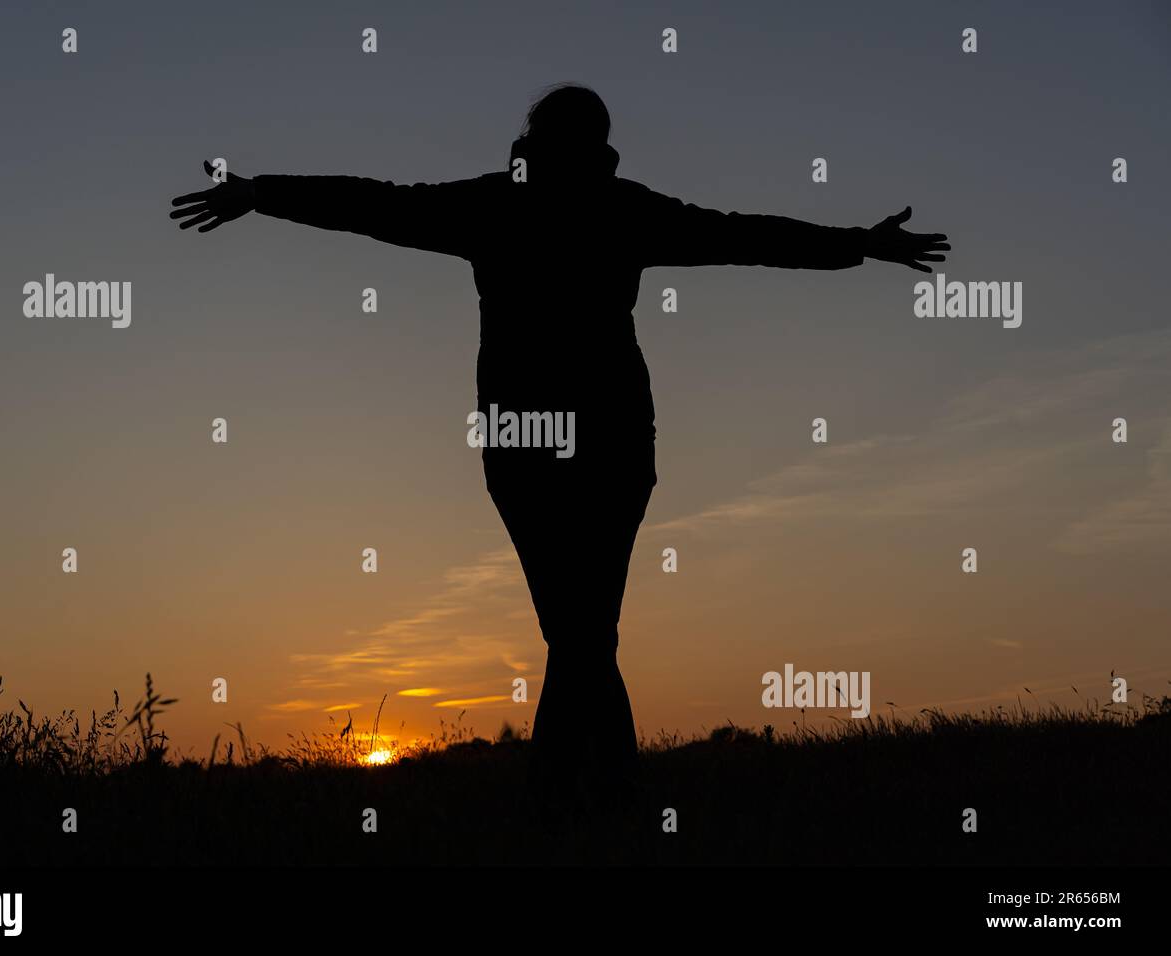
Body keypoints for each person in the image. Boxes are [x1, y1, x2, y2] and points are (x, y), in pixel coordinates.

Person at [170, 83, 949, 805]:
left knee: (577, 631)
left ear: (531, 139)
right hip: (596, 439)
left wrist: (258, 193)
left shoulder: (505, 206)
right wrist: (858, 245)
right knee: (584, 631)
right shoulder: (607, 207)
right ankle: (599, 801)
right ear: (597, 144)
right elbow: (744, 235)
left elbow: (373, 205)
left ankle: (562, 803)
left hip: (543, 441)